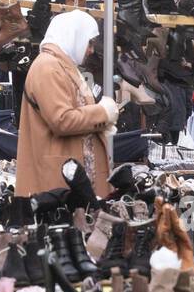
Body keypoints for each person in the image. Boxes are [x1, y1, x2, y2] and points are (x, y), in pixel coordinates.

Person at [15, 10, 118, 199]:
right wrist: (103, 113)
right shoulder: (48, 67)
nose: (91, 50)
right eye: (89, 42)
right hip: (58, 180)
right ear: (74, 35)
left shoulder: (61, 66)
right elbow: (62, 120)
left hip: (69, 176)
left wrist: (101, 123)